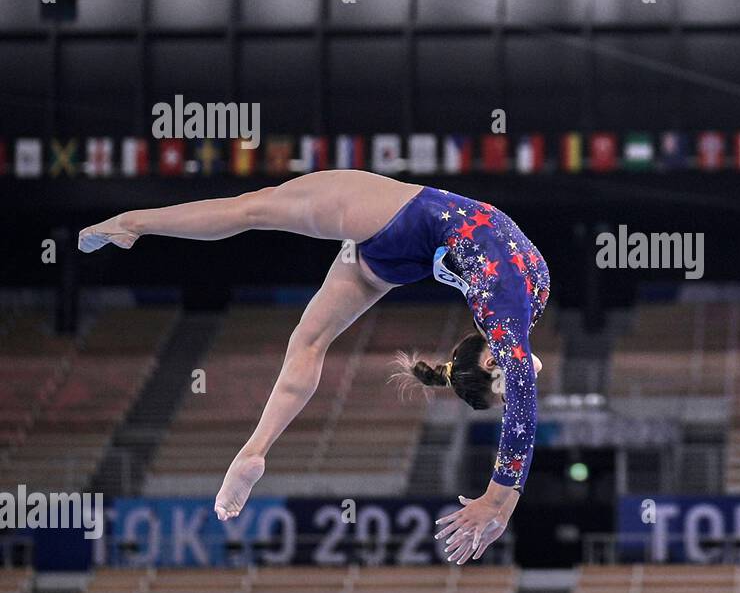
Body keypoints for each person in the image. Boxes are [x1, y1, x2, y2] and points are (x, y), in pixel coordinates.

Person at [79, 169, 549, 564]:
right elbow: (523, 398)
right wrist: (497, 501)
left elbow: (523, 383)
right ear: (492, 359)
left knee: (254, 209)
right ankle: (253, 449)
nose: (516, 380)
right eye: (503, 385)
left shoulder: (523, 306)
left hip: (403, 224)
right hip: (406, 239)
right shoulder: (506, 321)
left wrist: (501, 500)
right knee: (309, 340)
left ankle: (131, 223)